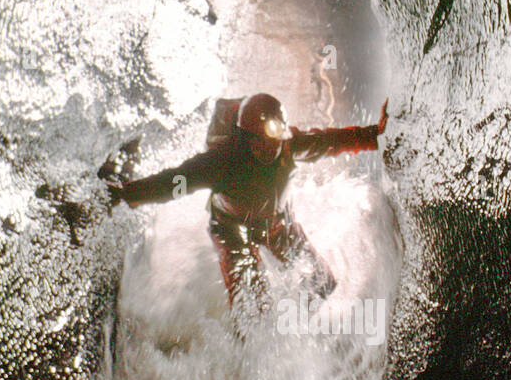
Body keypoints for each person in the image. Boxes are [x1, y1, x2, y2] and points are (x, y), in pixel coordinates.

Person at [100, 93, 387, 312]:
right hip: (232, 232)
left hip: (277, 224)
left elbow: (330, 141)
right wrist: (127, 194)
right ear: (244, 139)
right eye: (259, 141)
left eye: (274, 141)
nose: (268, 148)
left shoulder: (289, 144)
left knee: (321, 284)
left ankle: (291, 337)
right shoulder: (221, 161)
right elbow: (173, 181)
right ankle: (241, 364)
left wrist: (375, 135)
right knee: (252, 309)